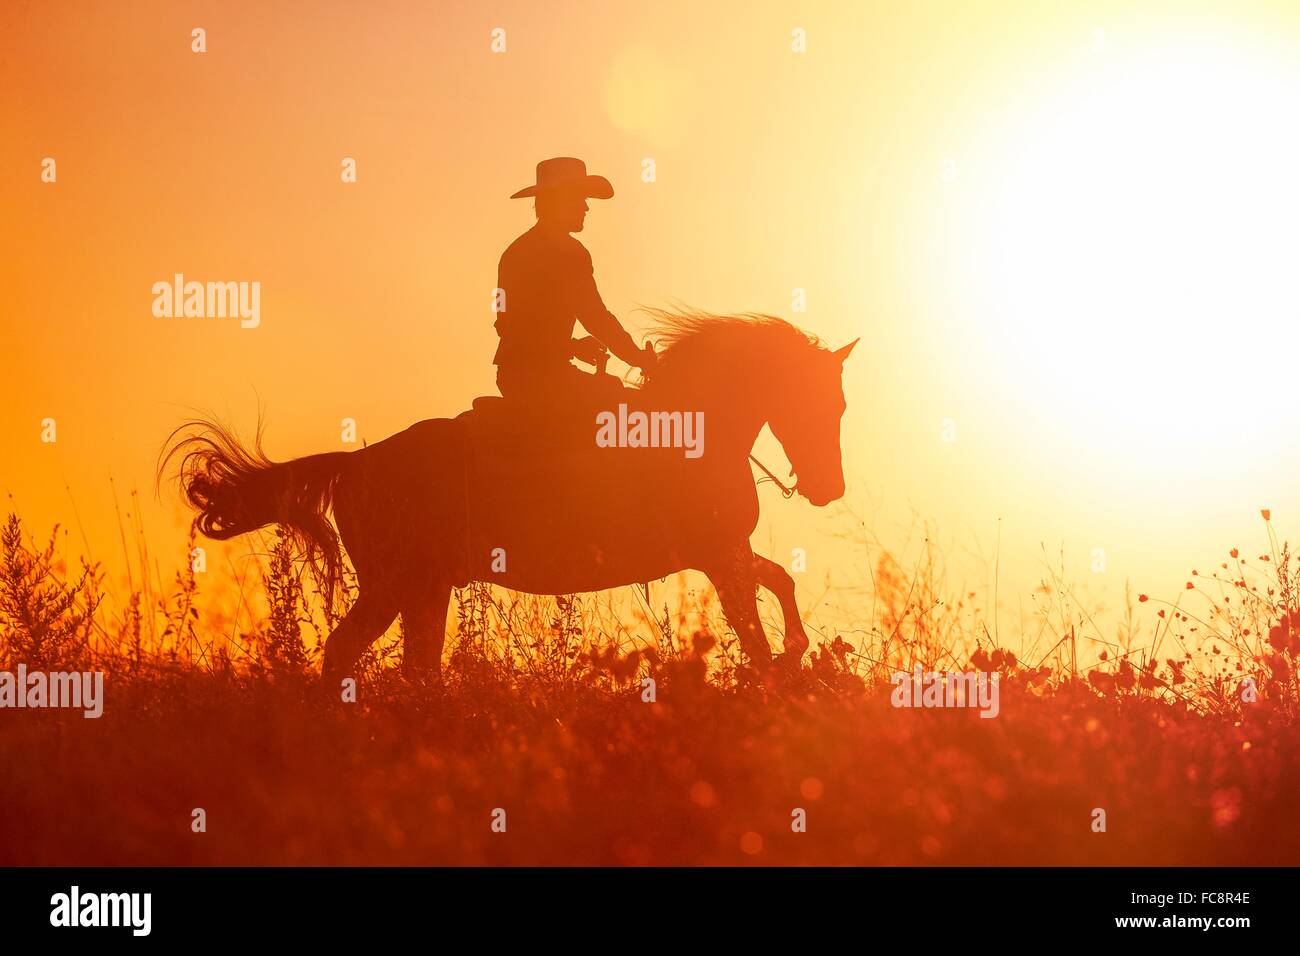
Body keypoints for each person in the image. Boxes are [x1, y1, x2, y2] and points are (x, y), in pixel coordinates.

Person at [493, 157, 656, 411]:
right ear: (562, 201)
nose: (586, 208)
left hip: (512, 377)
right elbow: (595, 317)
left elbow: (505, 325)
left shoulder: (513, 253)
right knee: (620, 410)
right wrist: (638, 358)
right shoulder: (569, 253)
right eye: (581, 199)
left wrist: (570, 346)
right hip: (545, 379)